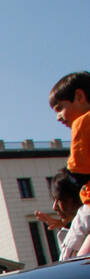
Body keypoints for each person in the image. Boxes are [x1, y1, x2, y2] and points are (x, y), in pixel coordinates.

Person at [50, 73, 90, 206]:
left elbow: (77, 172)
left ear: (79, 96)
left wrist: (60, 187)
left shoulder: (82, 123)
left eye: (60, 108)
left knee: (78, 227)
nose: (58, 117)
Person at [36, 169, 90, 261]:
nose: (54, 207)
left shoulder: (82, 222)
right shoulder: (71, 229)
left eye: (59, 200)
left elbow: (69, 261)